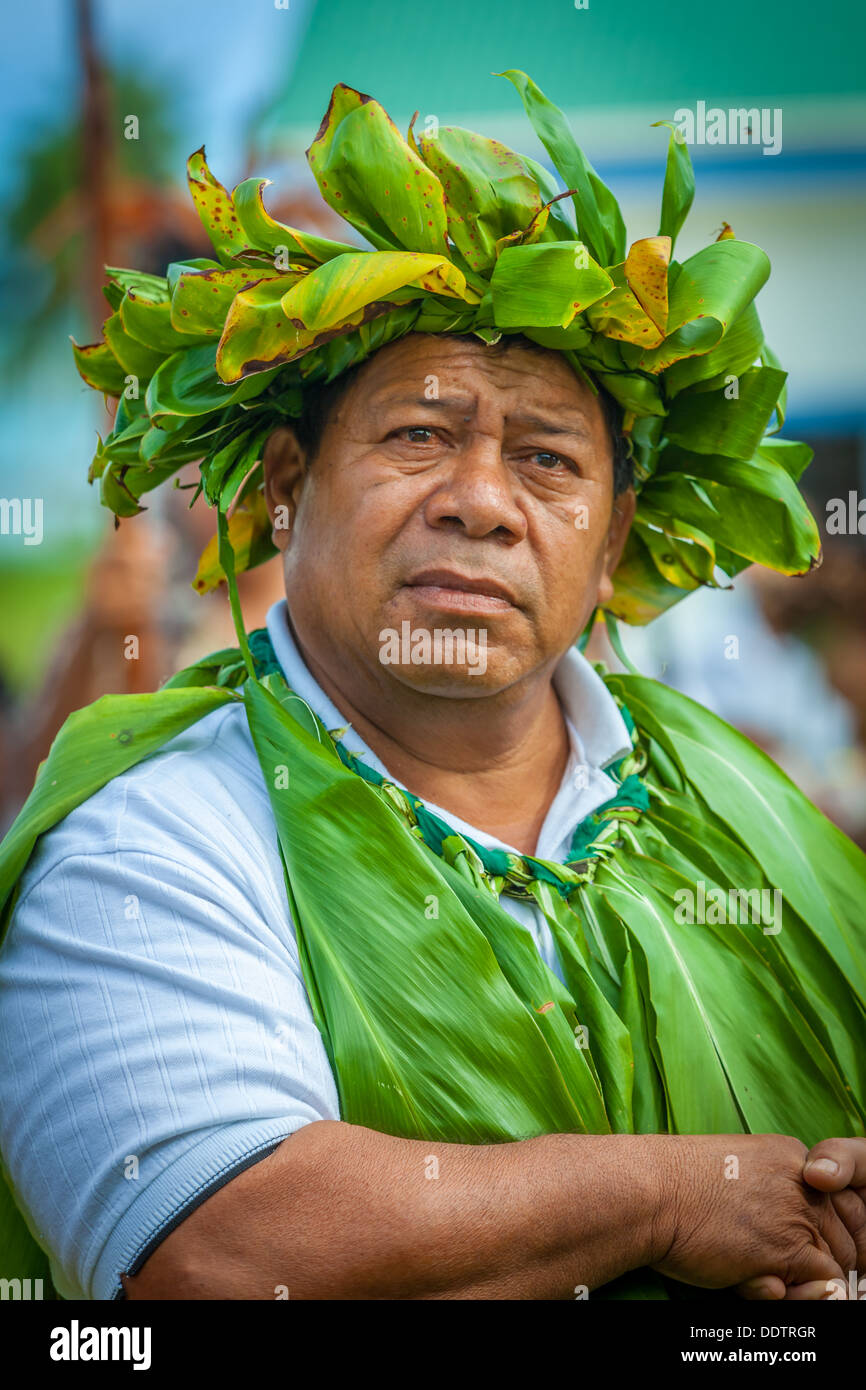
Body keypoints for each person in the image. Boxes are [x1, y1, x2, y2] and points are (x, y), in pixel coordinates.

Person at [0, 73, 863, 1303]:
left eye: (545, 457)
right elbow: (219, 1258)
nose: (479, 499)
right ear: (283, 484)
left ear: (610, 539)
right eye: (416, 433)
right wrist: (675, 1198)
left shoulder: (735, 800)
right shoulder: (150, 846)